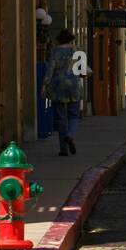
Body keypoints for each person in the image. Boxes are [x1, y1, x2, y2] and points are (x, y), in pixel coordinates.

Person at [41, 28, 84, 156]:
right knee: (74, 115)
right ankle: (70, 135)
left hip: (58, 87)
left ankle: (63, 149)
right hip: (74, 87)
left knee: (60, 118)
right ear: (71, 39)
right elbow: (83, 70)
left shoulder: (55, 52)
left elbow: (50, 70)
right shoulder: (76, 52)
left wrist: (44, 85)